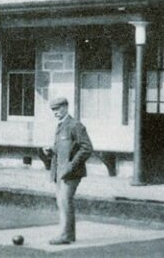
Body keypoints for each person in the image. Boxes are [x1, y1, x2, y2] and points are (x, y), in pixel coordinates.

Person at [42, 97, 93, 245]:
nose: (55, 112)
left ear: (65, 107)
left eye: (57, 109)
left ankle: (66, 235)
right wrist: (51, 151)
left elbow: (87, 148)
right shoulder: (61, 126)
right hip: (59, 171)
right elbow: (65, 149)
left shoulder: (75, 125)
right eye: (53, 110)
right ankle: (68, 234)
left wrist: (71, 165)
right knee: (62, 202)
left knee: (65, 201)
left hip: (71, 173)